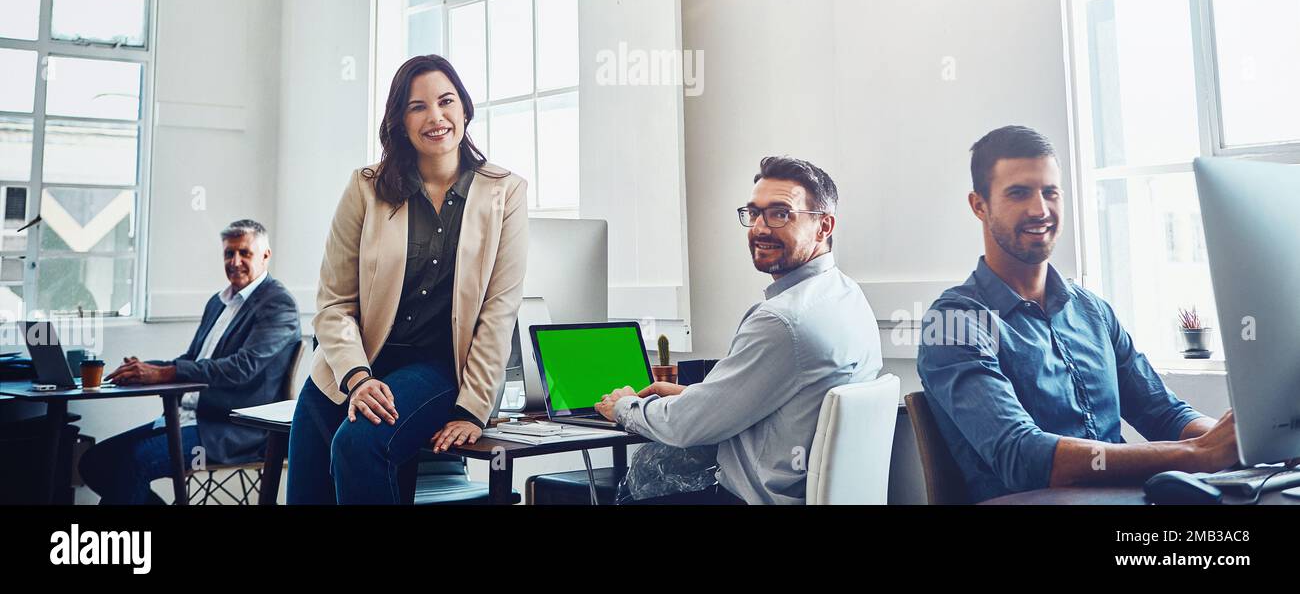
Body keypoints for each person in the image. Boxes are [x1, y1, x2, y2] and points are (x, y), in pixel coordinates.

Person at [917, 125, 1238, 502]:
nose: (1040, 209)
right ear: (979, 205)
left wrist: (1235, 440)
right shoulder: (953, 323)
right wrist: (1198, 455)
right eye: (1018, 193)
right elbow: (1023, 456)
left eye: (1050, 192)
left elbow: (1164, 413)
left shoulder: (1092, 310)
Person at [287, 54, 528, 504]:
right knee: (306, 491)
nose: (435, 117)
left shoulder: (505, 192)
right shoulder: (365, 187)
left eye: (446, 101)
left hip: (433, 367)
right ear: (399, 121)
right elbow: (334, 302)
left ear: (465, 109)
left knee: (358, 444)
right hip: (349, 367)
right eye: (417, 106)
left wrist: (473, 409)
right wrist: (358, 378)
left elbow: (498, 313)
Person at [595, 156, 881, 504]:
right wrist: (694, 396)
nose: (760, 228)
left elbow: (685, 427)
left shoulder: (782, 320)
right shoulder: (846, 294)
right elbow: (782, 400)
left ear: (823, 226)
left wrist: (624, 406)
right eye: (754, 213)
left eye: (779, 213)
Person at [79, 219, 301, 504]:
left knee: (135, 462)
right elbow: (191, 360)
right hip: (185, 418)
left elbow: (240, 368)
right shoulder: (218, 302)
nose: (235, 262)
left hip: (233, 431)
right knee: (96, 461)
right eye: (228, 253)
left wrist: (163, 374)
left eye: (244, 253)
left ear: (265, 255)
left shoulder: (278, 303)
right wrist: (146, 368)